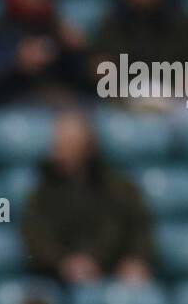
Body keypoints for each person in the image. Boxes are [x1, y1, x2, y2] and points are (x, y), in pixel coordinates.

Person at [22, 110, 154, 284]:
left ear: (86, 147)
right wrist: (63, 263)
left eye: (68, 144)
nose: (60, 151)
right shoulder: (40, 193)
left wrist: (137, 260)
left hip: (113, 274)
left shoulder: (120, 189)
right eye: (58, 144)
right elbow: (36, 239)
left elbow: (138, 229)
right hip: (58, 280)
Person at [90, 0, 188, 108]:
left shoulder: (176, 22)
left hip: (171, 96)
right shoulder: (113, 23)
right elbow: (100, 65)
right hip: (125, 96)